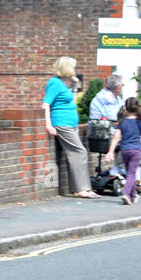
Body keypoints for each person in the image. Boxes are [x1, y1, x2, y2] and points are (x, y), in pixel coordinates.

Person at [43, 56, 97, 198]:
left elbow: (72, 102)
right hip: (61, 123)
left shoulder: (62, 84)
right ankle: (81, 189)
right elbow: (46, 104)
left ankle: (82, 188)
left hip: (70, 124)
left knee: (76, 154)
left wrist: (74, 87)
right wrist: (49, 125)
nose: (74, 70)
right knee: (80, 152)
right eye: (72, 67)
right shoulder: (54, 83)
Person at [105, 96, 141, 205]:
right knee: (132, 173)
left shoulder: (122, 122)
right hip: (136, 151)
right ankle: (125, 193)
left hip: (124, 151)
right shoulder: (140, 122)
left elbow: (116, 137)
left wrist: (111, 151)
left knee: (129, 174)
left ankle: (133, 195)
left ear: (126, 108)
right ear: (137, 108)